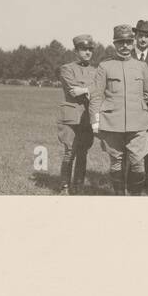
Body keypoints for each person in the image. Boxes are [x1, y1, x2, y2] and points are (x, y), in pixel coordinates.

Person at [89, 24, 148, 195]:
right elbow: (96, 95)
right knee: (116, 161)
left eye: (128, 42)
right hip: (112, 123)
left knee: (137, 162)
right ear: (114, 44)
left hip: (138, 123)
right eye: (121, 42)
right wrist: (95, 122)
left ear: (133, 43)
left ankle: (135, 197)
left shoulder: (141, 66)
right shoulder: (105, 66)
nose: (125, 46)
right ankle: (119, 197)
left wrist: (135, 105)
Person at [55, 34, 98, 194]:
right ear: (76, 51)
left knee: (83, 153)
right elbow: (73, 91)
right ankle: (64, 187)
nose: (87, 52)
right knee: (69, 152)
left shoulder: (96, 71)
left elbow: (100, 90)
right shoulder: (66, 68)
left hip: (87, 118)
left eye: (90, 49)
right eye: (84, 49)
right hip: (71, 118)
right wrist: (91, 89)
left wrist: (86, 89)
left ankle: (78, 186)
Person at [131, 19, 148, 191]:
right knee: (130, 146)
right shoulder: (127, 55)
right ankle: (130, 180)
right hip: (130, 109)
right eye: (140, 36)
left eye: (146, 36)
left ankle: (146, 182)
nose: (143, 40)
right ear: (135, 36)